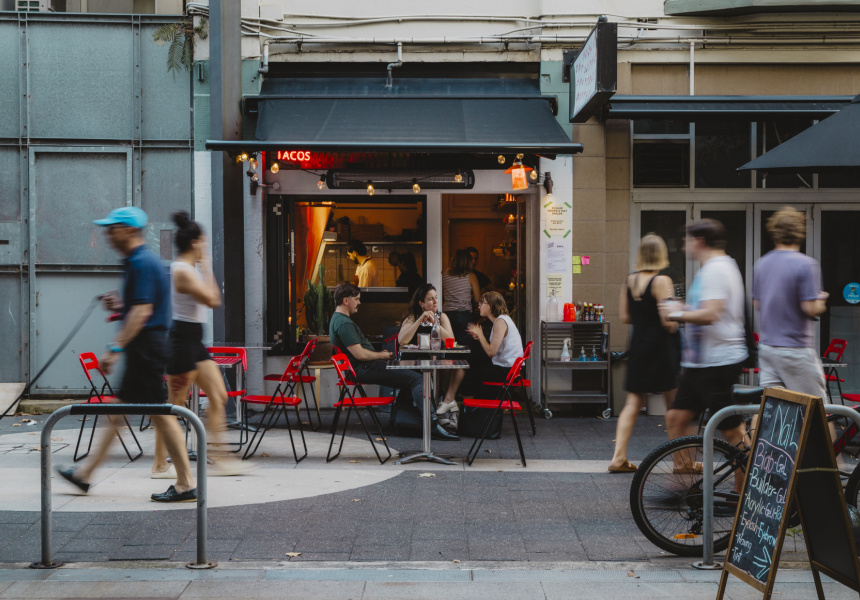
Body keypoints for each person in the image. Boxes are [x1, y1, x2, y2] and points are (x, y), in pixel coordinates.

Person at [57, 207, 196, 503]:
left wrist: (115, 349)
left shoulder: (141, 262)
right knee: (123, 413)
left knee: (160, 414)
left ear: (130, 230)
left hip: (146, 348)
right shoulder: (141, 261)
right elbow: (141, 309)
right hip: (146, 347)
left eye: (113, 228)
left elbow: (144, 312)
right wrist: (121, 307)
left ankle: (186, 484)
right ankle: (84, 475)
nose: (108, 235)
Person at [151, 211, 251, 480]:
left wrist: (204, 266)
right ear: (194, 243)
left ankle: (220, 457)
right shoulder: (182, 271)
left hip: (194, 341)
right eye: (203, 242)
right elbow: (213, 300)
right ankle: (159, 465)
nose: (205, 247)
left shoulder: (188, 269)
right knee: (174, 407)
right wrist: (207, 266)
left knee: (219, 397)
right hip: (181, 343)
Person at [660, 219, 749, 458]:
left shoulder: (717, 269)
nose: (683, 247)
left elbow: (711, 314)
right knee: (675, 418)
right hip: (700, 363)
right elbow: (708, 309)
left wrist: (675, 314)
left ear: (699, 241)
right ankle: (683, 472)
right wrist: (684, 307)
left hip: (718, 362)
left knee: (731, 429)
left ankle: (746, 478)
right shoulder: (712, 268)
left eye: (685, 241)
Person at [330, 282, 459, 440]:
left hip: (365, 366)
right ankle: (432, 424)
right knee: (418, 379)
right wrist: (381, 355)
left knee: (412, 376)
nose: (359, 302)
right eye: (356, 299)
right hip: (364, 367)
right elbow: (360, 355)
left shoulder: (339, 320)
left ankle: (401, 422)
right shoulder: (343, 323)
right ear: (346, 301)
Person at [609, 234, 681, 473]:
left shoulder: (629, 280)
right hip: (661, 347)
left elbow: (625, 316)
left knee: (633, 402)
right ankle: (680, 461)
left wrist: (644, 317)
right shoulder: (662, 281)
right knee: (672, 405)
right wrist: (679, 316)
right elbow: (668, 322)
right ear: (661, 255)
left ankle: (618, 457)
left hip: (639, 344)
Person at [753, 207, 828, 396]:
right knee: (816, 408)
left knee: (773, 406)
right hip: (795, 349)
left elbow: (757, 304)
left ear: (774, 233)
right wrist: (821, 300)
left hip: (768, 348)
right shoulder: (806, 264)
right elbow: (809, 308)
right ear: (800, 233)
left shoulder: (761, 264)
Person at [398, 284, 461, 428]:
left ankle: (441, 408)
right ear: (421, 303)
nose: (435, 301)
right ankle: (438, 412)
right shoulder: (412, 317)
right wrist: (420, 319)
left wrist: (435, 324)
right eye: (431, 299)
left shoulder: (441, 316)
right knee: (434, 368)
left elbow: (450, 339)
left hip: (434, 359)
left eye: (436, 298)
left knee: (446, 368)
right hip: (414, 362)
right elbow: (402, 340)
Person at [465, 292, 524, 388]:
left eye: (481, 303)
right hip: (510, 368)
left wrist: (480, 335)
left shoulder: (500, 322)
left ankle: (470, 397)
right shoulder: (501, 319)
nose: (479, 306)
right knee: (474, 361)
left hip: (508, 372)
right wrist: (480, 337)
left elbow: (491, 352)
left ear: (490, 306)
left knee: (470, 368)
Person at [442, 249, 480, 346]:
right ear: (468, 261)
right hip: (463, 314)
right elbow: (477, 299)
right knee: (464, 346)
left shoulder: (446, 273)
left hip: (447, 314)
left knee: (449, 344)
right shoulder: (471, 276)